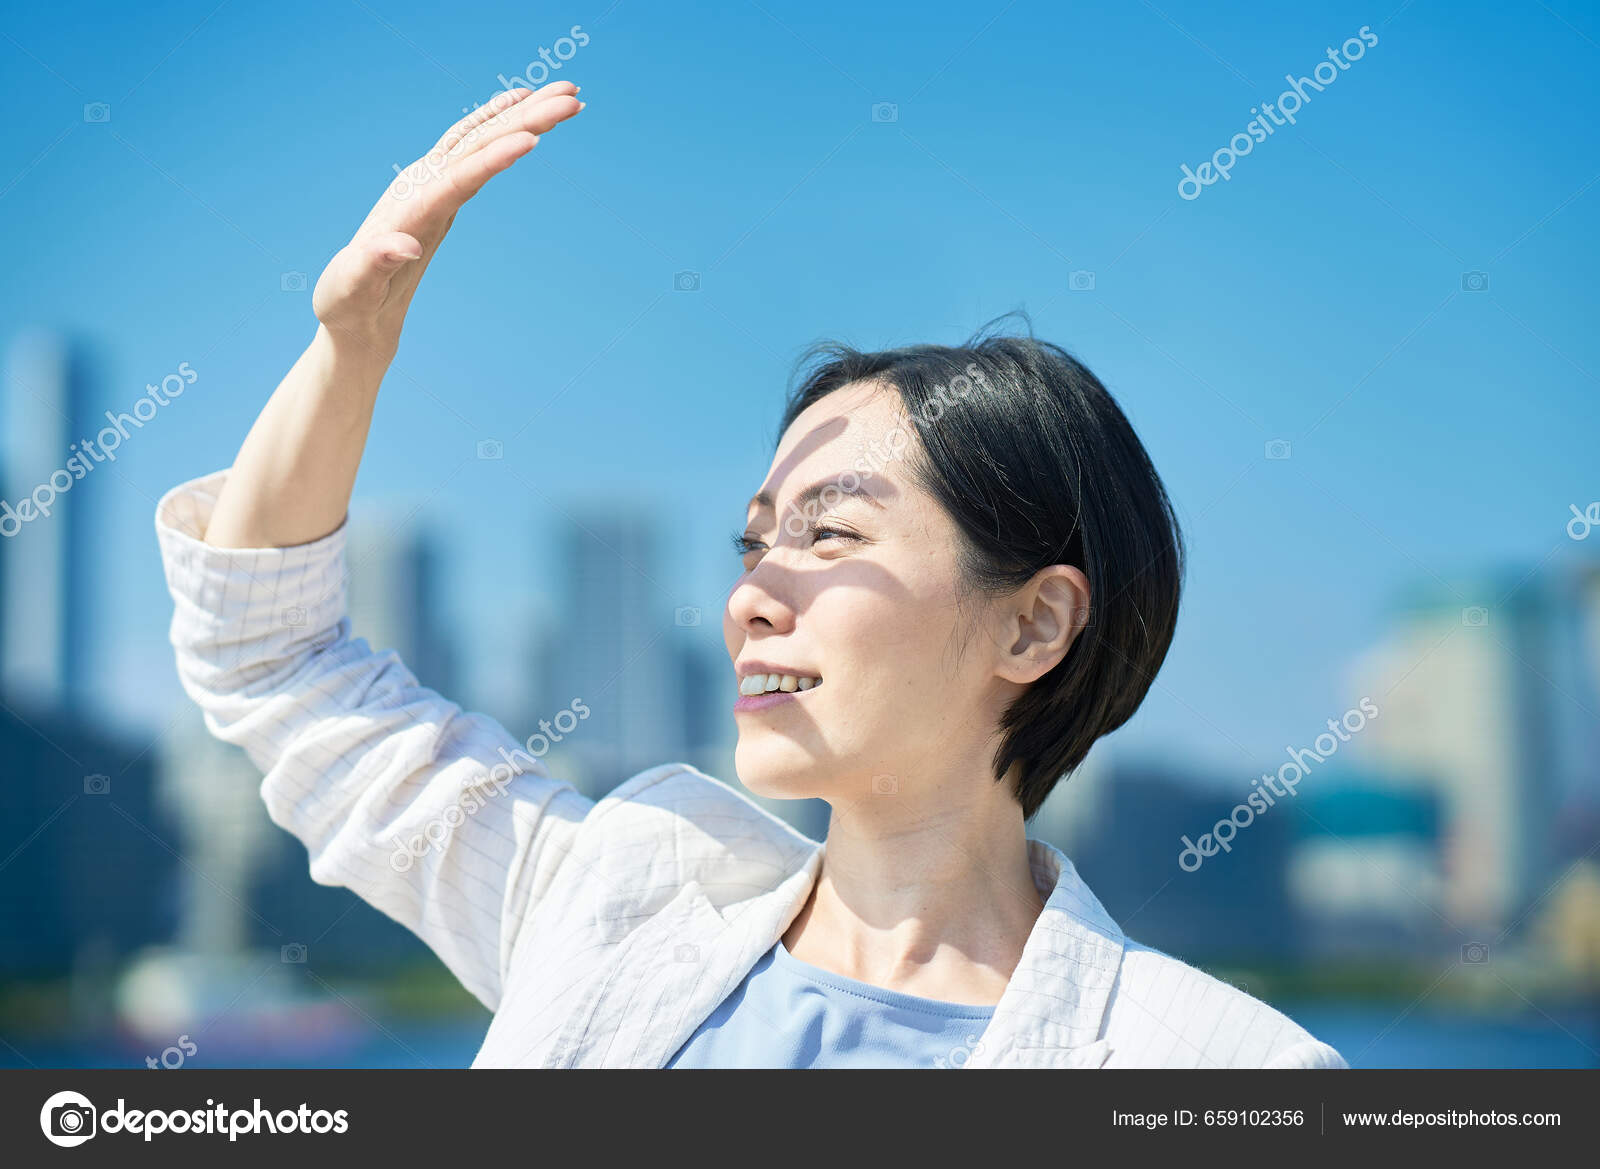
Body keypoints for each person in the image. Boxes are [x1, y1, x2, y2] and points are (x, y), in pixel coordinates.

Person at [154, 82, 1346, 1069]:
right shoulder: (614, 906)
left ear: (1033, 623)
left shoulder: (1220, 1070)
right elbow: (274, 655)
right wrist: (351, 345)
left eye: (830, 536)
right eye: (755, 541)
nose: (751, 594)